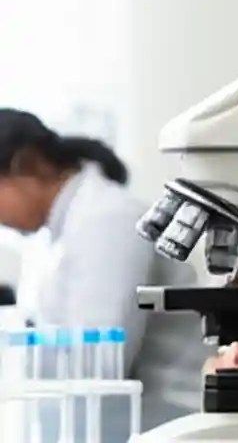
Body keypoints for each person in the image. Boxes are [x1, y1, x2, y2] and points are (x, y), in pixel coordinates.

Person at [0, 109, 209, 438]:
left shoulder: (108, 219)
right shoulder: (58, 232)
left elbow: (96, 366)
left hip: (166, 420)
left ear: (26, 165)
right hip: (114, 420)